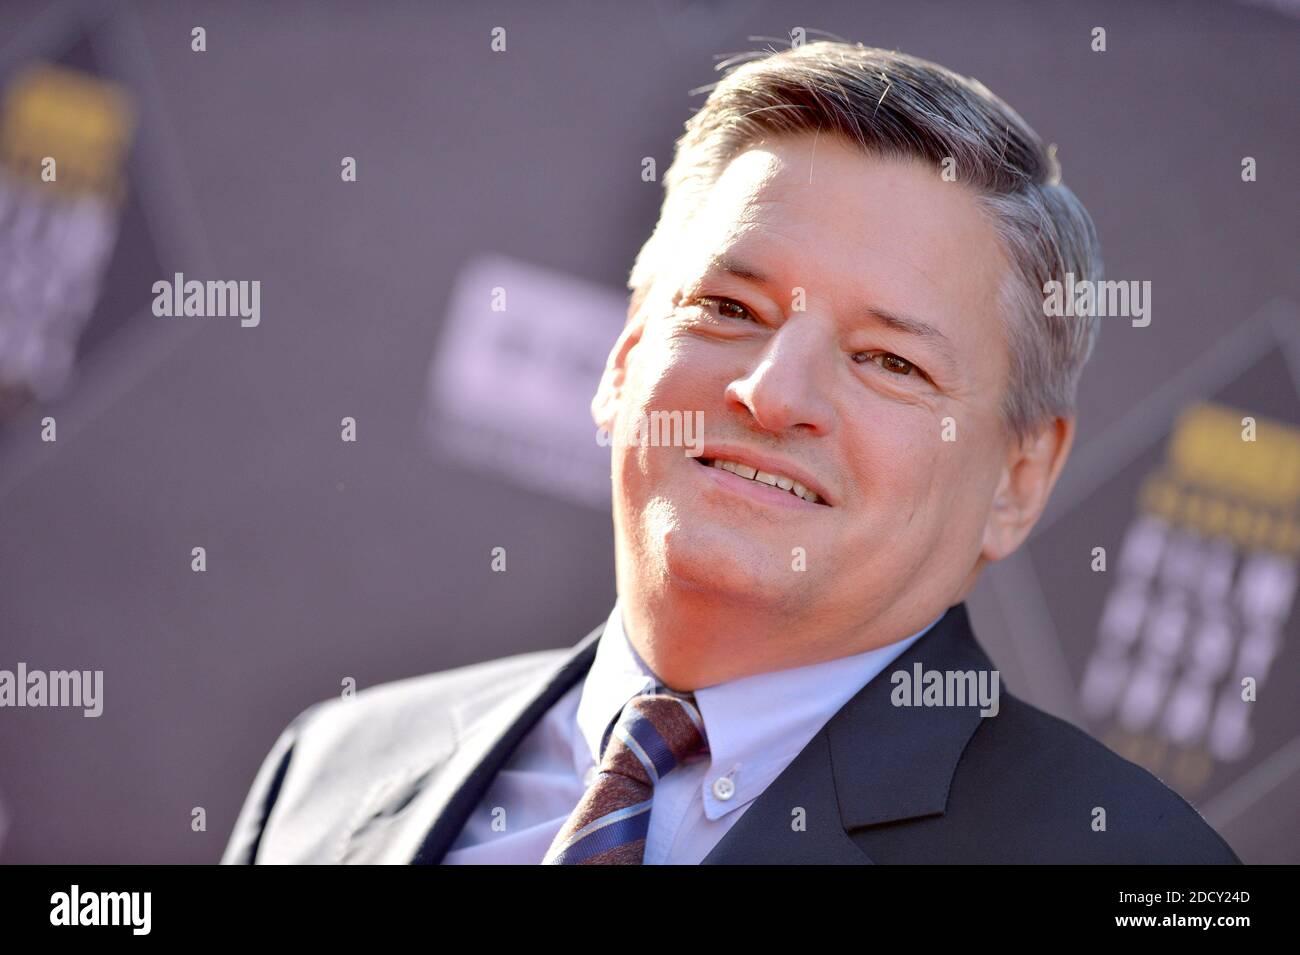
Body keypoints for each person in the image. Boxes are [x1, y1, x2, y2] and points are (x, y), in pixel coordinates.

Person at [222, 41, 1240, 864]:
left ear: (1018, 479)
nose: (772, 392)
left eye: (887, 360)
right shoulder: (330, 771)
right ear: (625, 355)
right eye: (726, 307)